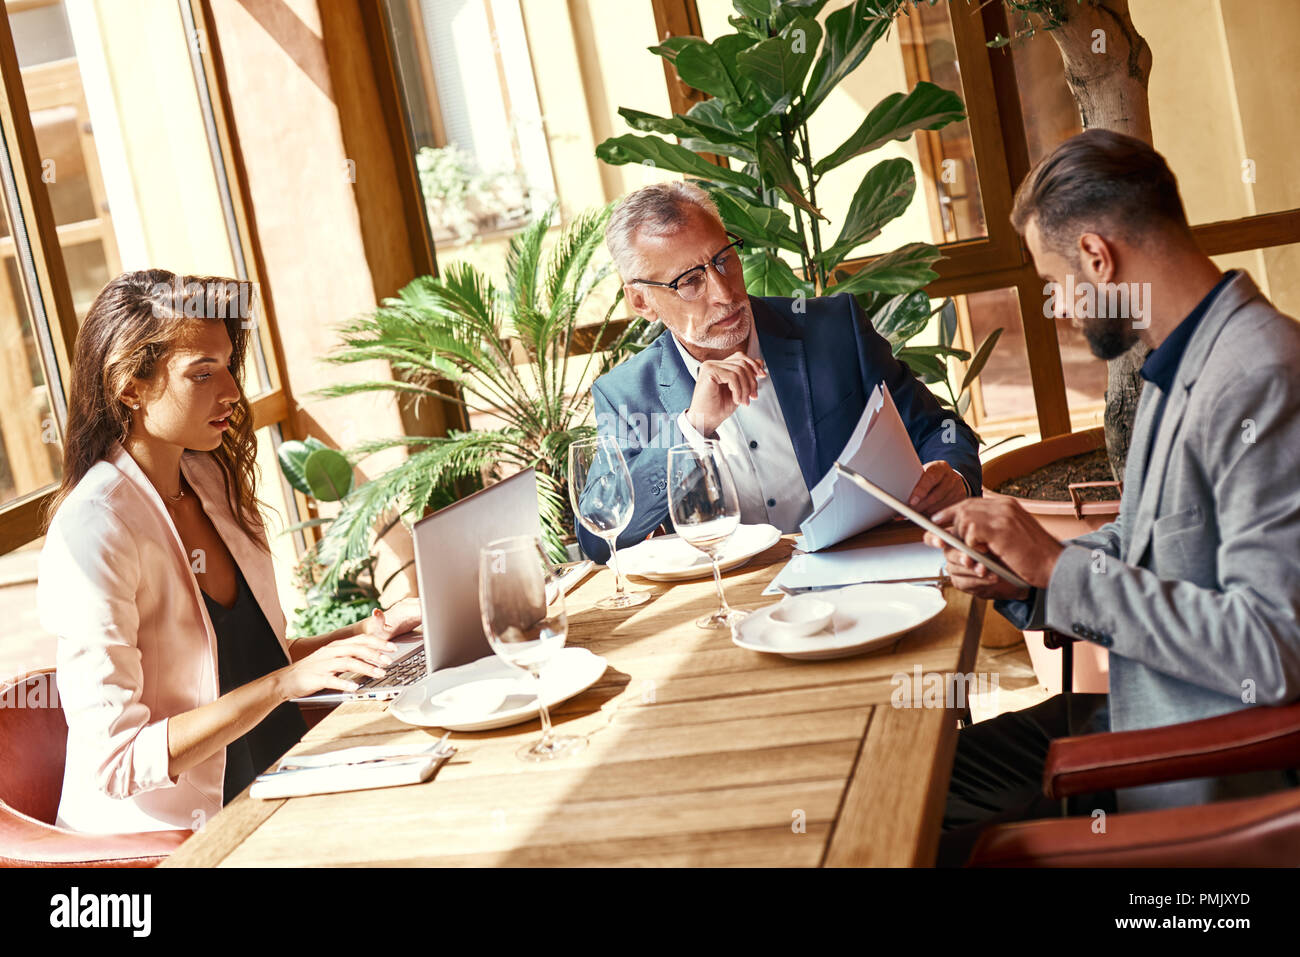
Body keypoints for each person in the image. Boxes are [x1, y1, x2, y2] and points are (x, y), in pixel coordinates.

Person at [924, 129, 1300, 865]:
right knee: (926, 774)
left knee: (915, 837)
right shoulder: (1177, 354)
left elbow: (1273, 648)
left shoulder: (1260, 376)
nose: (1056, 308)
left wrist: (1058, 568)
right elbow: (1146, 544)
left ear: (1098, 256)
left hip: (1199, 760)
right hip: (1142, 707)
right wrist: (1028, 571)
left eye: (1053, 281)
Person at [37, 270, 419, 834]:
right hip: (184, 835)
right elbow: (115, 761)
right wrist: (286, 684)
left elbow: (250, 661)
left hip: (283, 774)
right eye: (202, 373)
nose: (233, 392)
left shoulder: (208, 479)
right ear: (130, 387)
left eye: (228, 366)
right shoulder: (97, 528)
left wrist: (356, 639)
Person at [576, 182, 981, 563]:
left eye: (724, 260)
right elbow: (598, 535)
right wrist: (692, 429)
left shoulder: (833, 329)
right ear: (641, 301)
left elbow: (938, 430)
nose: (725, 292)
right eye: (690, 281)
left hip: (862, 564)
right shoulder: (626, 393)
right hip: (730, 601)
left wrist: (952, 476)